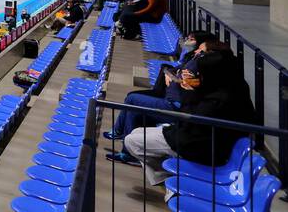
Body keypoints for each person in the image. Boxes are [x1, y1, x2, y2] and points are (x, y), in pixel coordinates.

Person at [113, 47, 255, 184]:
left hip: (197, 146)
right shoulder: (234, 87)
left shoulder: (219, 100)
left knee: (132, 141)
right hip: (194, 136)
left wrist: (189, 92)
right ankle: (166, 174)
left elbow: (187, 117)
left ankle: (166, 176)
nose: (198, 76)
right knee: (136, 132)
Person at [105, 30, 215, 140]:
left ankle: (120, 134)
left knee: (132, 98)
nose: (197, 51)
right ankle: (124, 143)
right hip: (166, 96)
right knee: (132, 104)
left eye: (201, 50)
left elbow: (182, 81)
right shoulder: (191, 59)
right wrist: (170, 75)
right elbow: (170, 70)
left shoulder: (198, 68)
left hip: (173, 106)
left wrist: (175, 77)